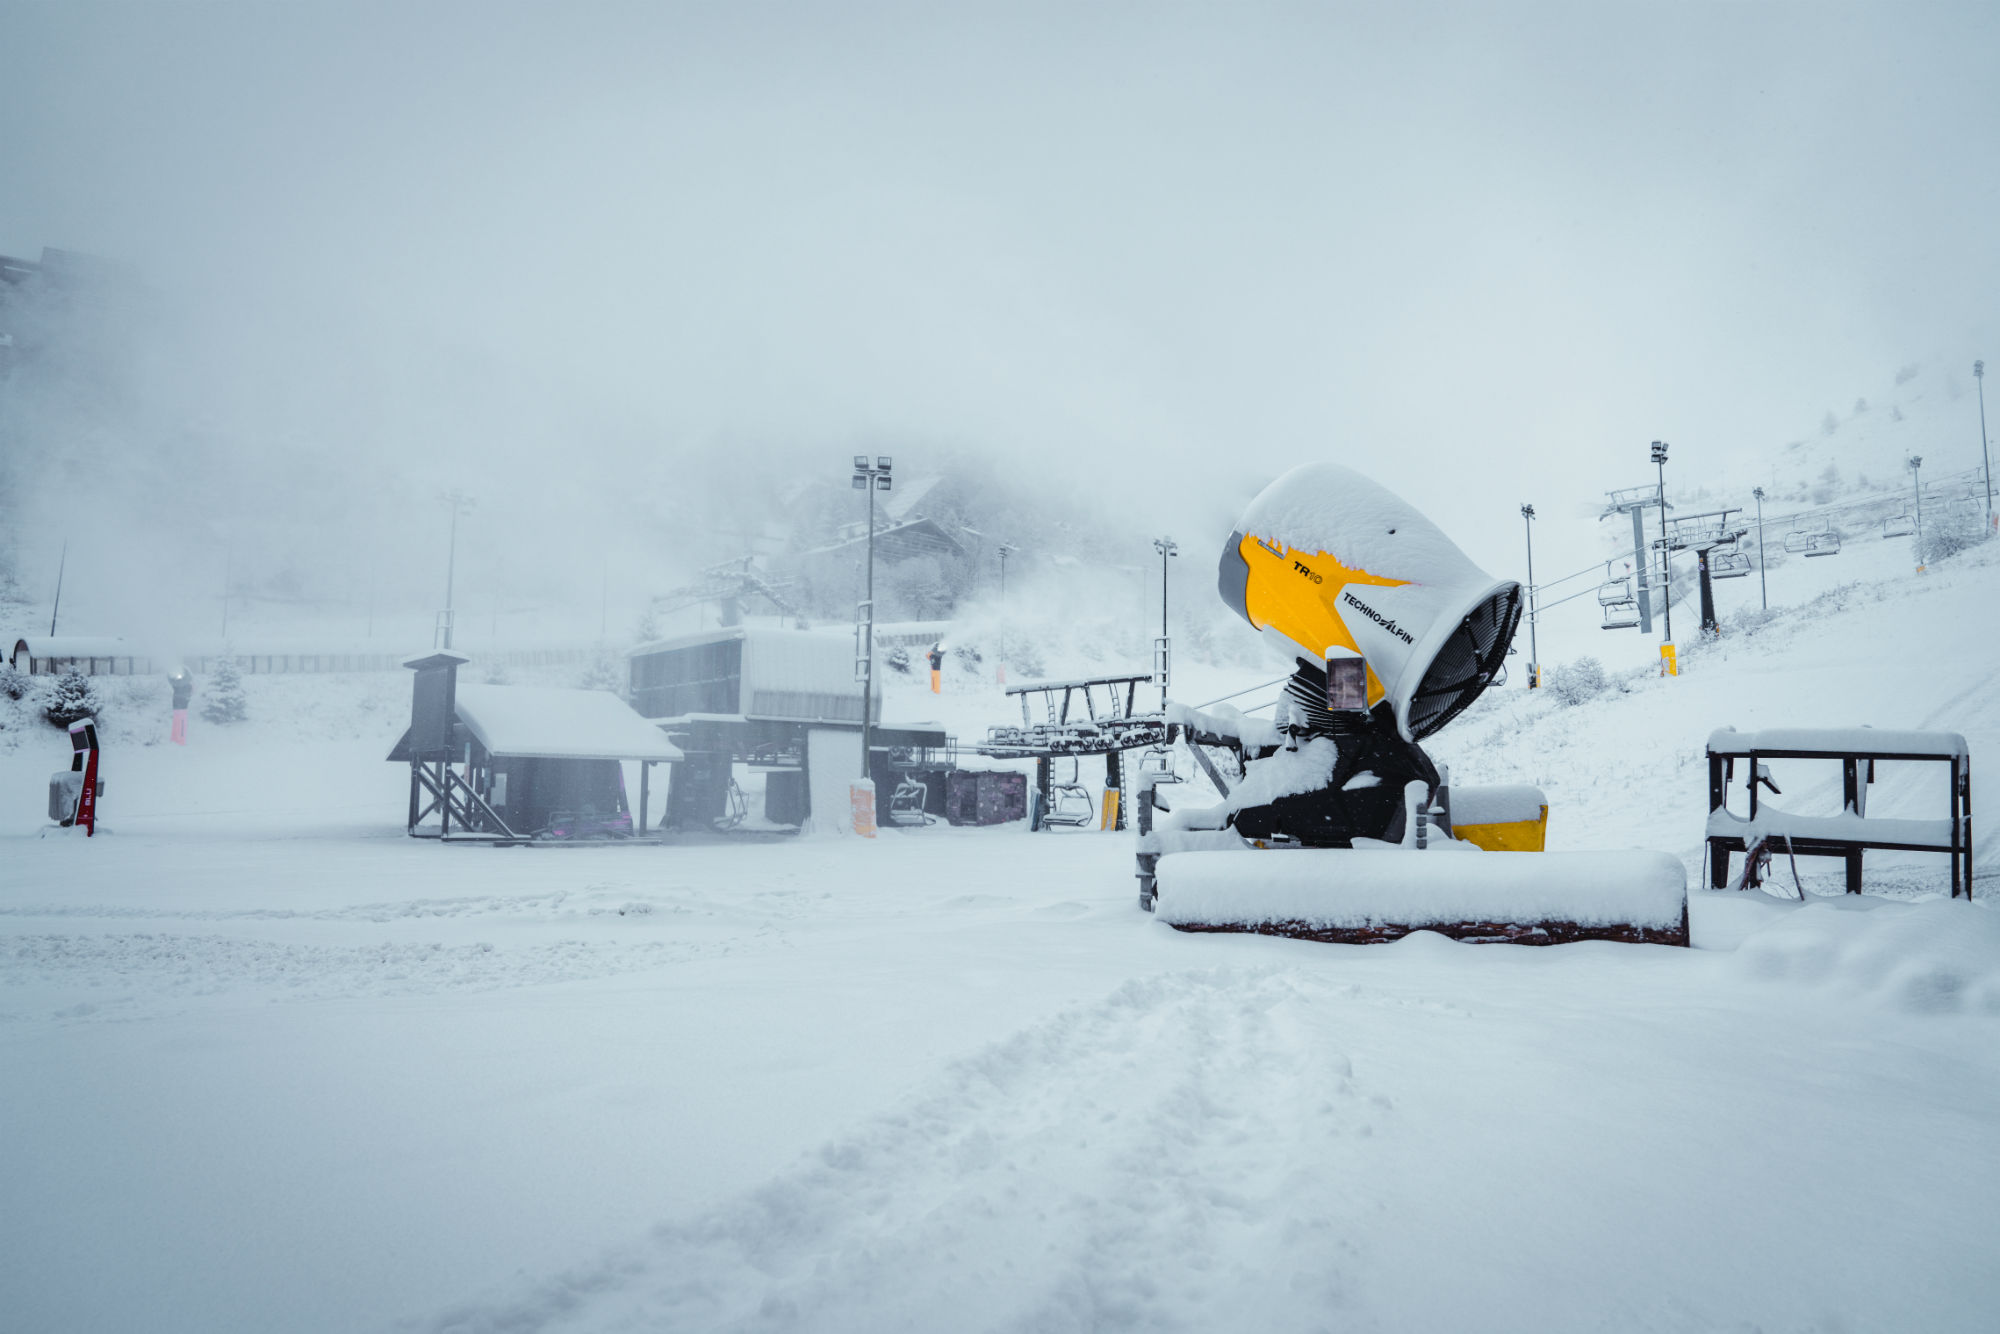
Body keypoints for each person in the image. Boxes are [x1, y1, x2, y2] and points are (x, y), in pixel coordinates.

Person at [169, 667, 192, 744]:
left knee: (182, 722)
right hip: (176, 705)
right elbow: (170, 679)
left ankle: (181, 739)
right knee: (176, 722)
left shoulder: (188, 684)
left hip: (183, 706)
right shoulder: (176, 684)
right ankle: (175, 738)